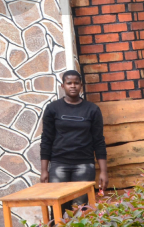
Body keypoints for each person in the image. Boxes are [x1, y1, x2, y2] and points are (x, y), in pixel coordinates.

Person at [40, 69, 108, 209]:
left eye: (76, 83)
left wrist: (103, 171)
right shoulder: (53, 109)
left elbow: (99, 141)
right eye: (69, 83)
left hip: (84, 165)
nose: (73, 86)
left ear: (81, 85)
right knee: (59, 209)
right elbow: (46, 139)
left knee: (80, 209)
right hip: (59, 164)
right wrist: (44, 170)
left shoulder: (92, 109)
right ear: (62, 86)